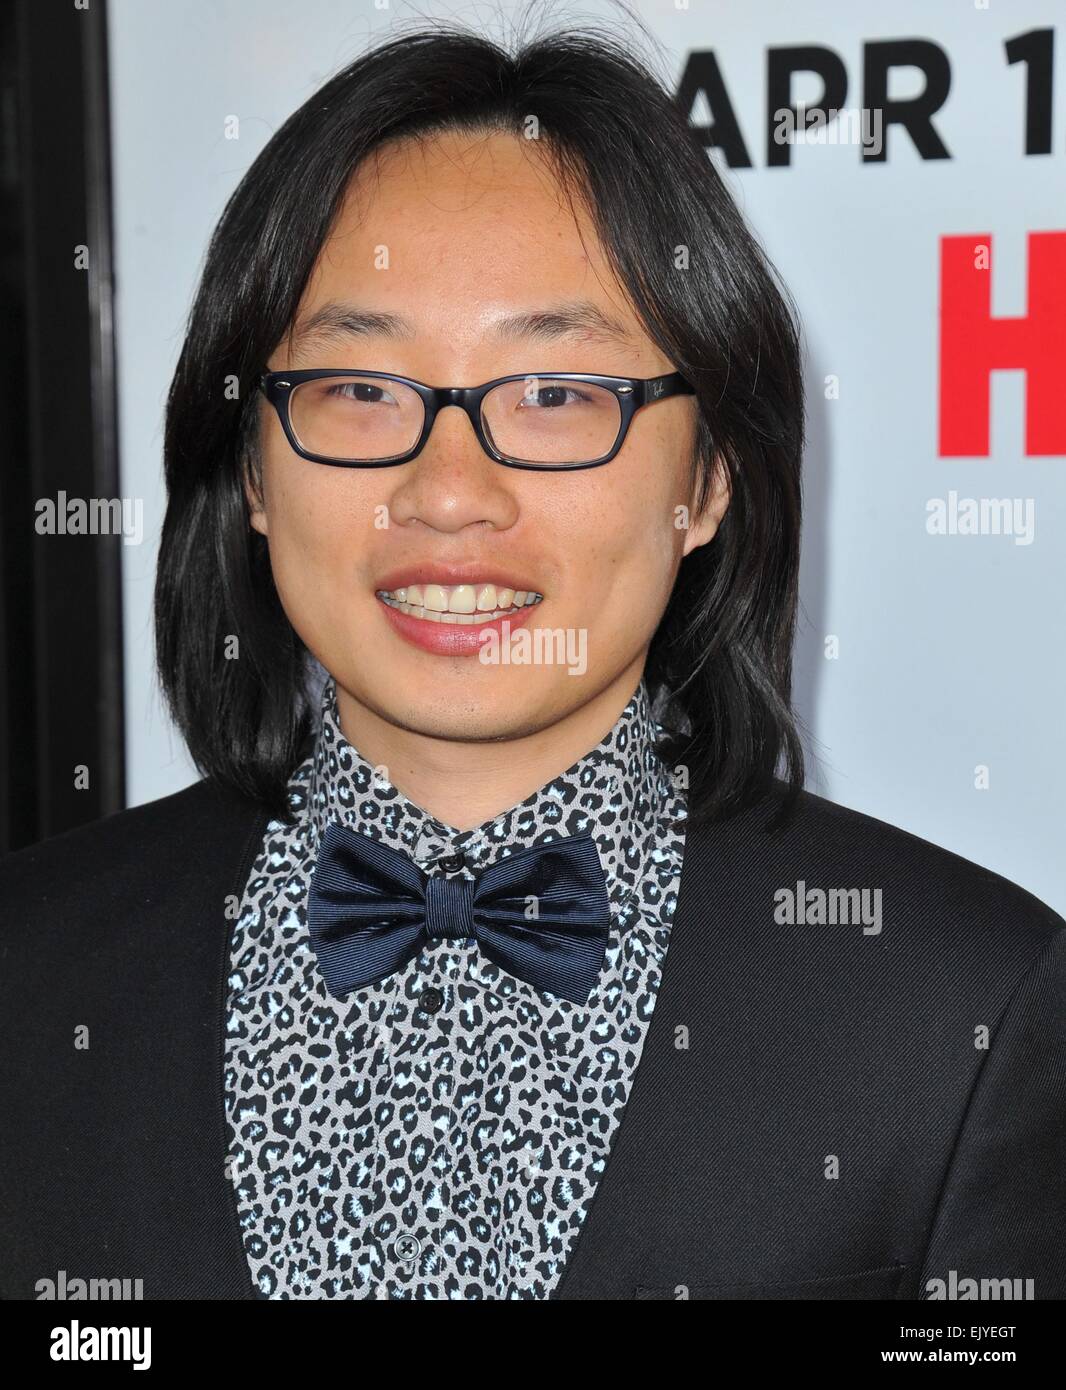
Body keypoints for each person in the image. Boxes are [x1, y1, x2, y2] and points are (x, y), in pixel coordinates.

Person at [2, 24, 1063, 1303]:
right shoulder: (31, 971)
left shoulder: (967, 1008)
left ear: (710, 479)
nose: (449, 492)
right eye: (361, 388)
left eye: (556, 394)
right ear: (254, 473)